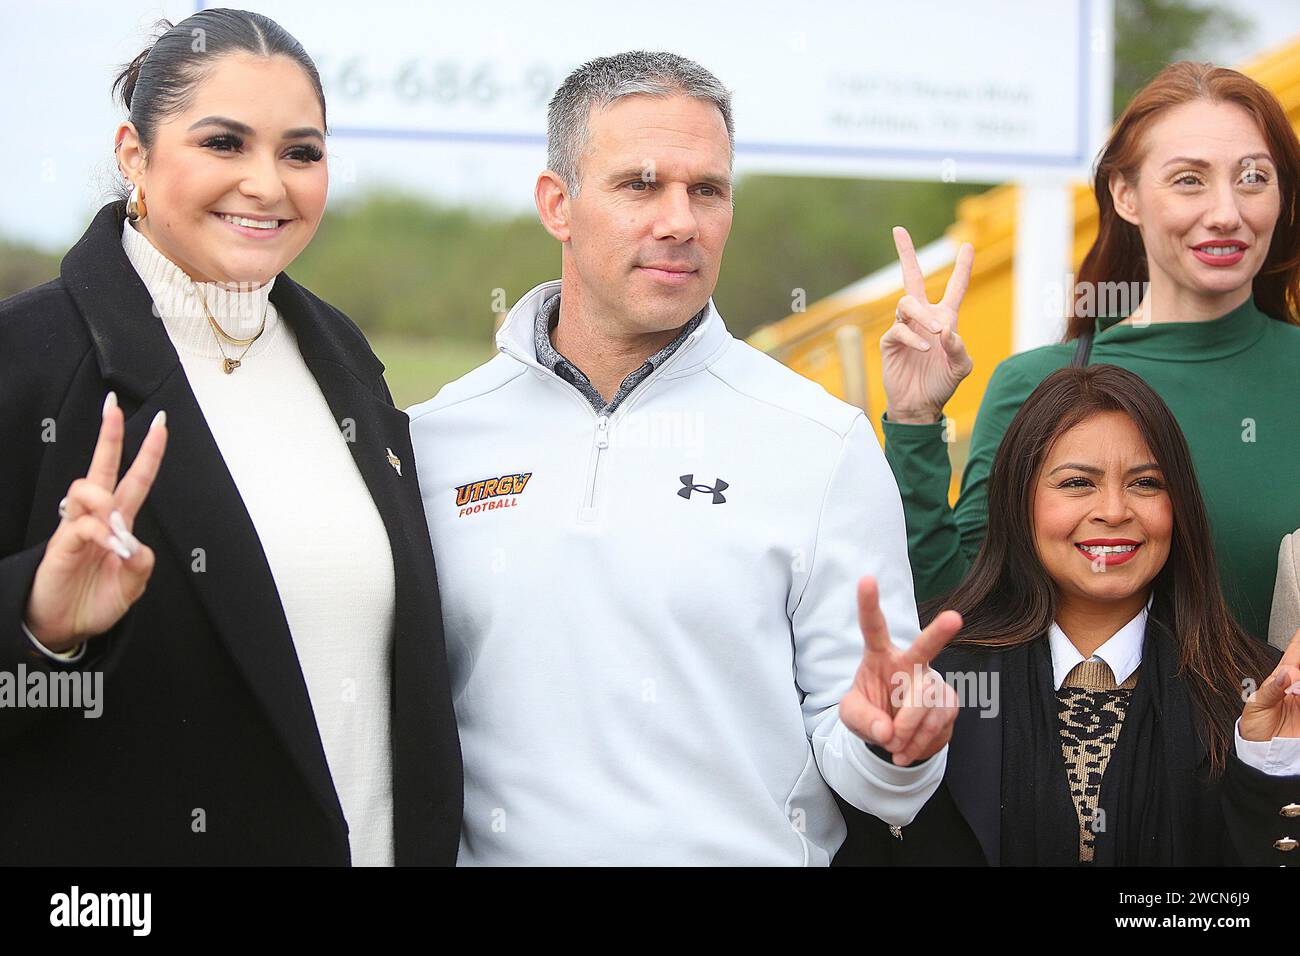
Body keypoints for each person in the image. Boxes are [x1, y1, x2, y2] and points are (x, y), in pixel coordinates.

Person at [408, 51, 961, 866]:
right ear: (557, 203)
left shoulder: (821, 439)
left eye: (708, 189)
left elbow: (873, 774)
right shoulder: (437, 435)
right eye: (640, 184)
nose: (681, 221)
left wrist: (893, 745)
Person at [0, 9, 460, 865]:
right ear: (134, 155)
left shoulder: (346, 356)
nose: (267, 185)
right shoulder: (24, 361)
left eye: (300, 153)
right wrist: (37, 626)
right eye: (224, 143)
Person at [881, 61, 1300, 642]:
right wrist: (914, 419)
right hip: (1086, 734)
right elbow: (956, 606)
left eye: (1254, 177)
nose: (1226, 212)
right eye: (1189, 180)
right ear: (1125, 195)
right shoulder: (1038, 383)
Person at [851, 365, 1300, 866]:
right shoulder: (935, 679)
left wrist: (1272, 764)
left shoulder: (1259, 695)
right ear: (1020, 501)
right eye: (1078, 482)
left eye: (1146, 483)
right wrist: (887, 757)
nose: (1113, 510)